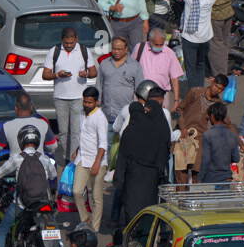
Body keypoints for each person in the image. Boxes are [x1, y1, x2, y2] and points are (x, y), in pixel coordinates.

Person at [0, 126, 58, 247]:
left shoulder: (17, 158)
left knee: (2, 230)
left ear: (21, 140)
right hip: (43, 201)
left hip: (23, 203)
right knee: (53, 226)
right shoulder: (44, 158)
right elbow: (53, 175)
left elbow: (0, 172)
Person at [41, 27, 97, 163]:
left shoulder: (84, 51)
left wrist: (86, 74)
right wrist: (57, 75)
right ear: (62, 40)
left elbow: (94, 72)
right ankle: (66, 158)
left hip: (78, 97)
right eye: (66, 43)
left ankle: (75, 159)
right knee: (63, 132)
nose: (69, 46)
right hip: (60, 98)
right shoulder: (54, 51)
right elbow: (45, 75)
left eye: (71, 43)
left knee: (76, 131)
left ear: (76, 39)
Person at [116, 88, 171, 224]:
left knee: (132, 208)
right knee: (149, 209)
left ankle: (131, 234)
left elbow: (122, 157)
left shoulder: (130, 131)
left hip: (133, 176)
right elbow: (163, 153)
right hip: (151, 177)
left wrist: (119, 178)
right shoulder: (158, 128)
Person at [176, 0, 219, 91]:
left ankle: (192, 91)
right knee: (200, 65)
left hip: (190, 39)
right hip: (205, 38)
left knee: (190, 67)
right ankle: (199, 89)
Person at [72, 87, 108, 232]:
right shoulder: (82, 113)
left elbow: (103, 143)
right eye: (85, 102)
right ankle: (85, 219)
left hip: (97, 161)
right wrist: (77, 150)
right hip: (82, 158)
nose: (86, 105)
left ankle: (95, 228)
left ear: (96, 102)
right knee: (76, 191)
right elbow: (83, 134)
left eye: (89, 102)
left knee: (96, 197)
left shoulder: (100, 118)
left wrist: (97, 163)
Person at [97, 36, 145, 132]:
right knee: (106, 144)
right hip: (107, 115)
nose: (116, 52)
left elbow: (140, 91)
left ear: (126, 49)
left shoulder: (135, 66)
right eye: (114, 49)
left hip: (126, 116)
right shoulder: (104, 64)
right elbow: (99, 86)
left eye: (119, 49)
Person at [0, 91, 57, 157]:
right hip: (39, 165)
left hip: (17, 166)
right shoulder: (43, 123)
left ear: (16, 108)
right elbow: (53, 146)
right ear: (31, 107)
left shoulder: (7, 126)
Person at [133, 28, 183, 112]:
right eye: (156, 44)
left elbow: (174, 78)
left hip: (160, 97)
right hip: (140, 95)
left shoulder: (170, 53)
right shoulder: (139, 48)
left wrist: (176, 100)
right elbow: (131, 68)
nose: (159, 47)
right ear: (150, 40)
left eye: (161, 44)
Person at [199, 103, 239, 183]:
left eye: (209, 116)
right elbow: (236, 158)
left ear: (212, 116)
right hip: (226, 178)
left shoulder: (208, 135)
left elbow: (206, 160)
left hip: (210, 179)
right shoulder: (232, 135)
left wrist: (200, 178)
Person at [209, 0, 235, 76]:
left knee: (216, 45)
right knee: (224, 43)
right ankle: (223, 69)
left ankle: (219, 74)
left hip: (216, 14)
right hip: (228, 12)